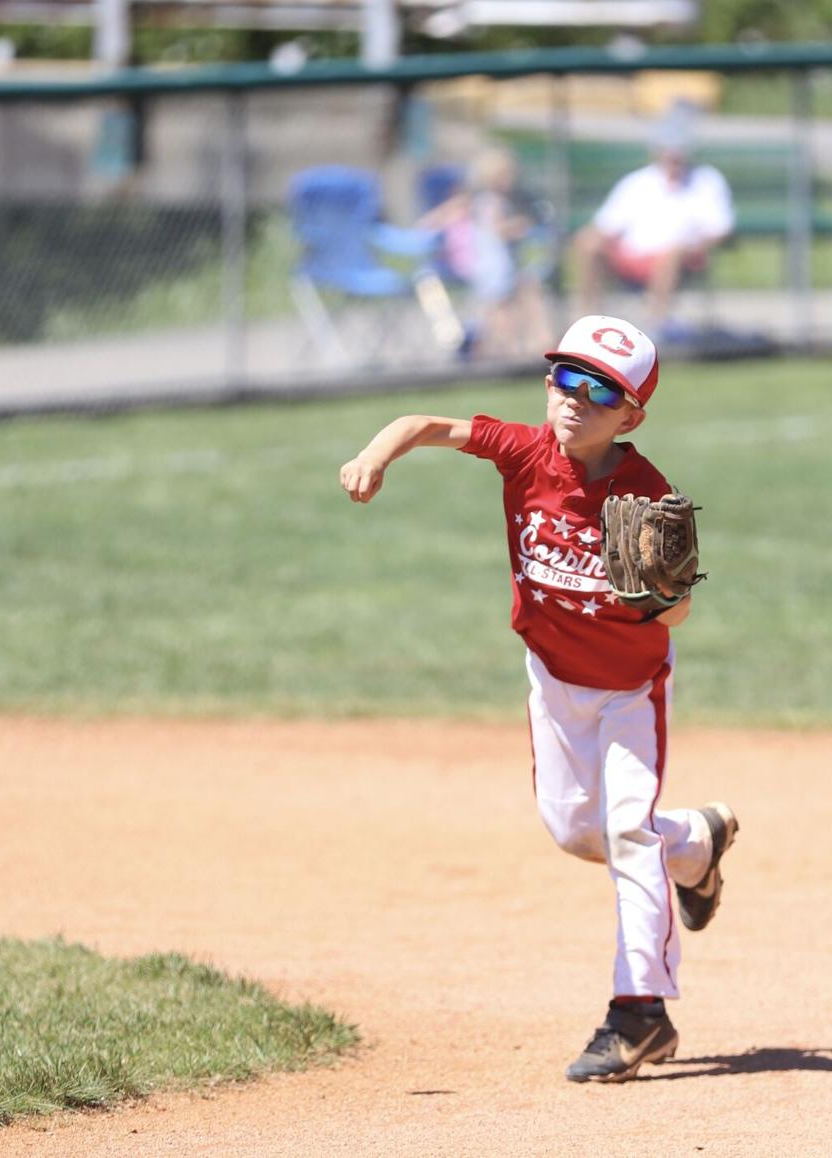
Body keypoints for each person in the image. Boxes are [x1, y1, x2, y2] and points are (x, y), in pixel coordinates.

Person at [339, 314, 739, 1083]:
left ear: (631, 416)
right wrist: (373, 455)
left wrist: (662, 595)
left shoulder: (647, 494)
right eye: (563, 377)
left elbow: (680, 613)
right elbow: (424, 422)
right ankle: (694, 844)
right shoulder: (523, 451)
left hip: (630, 691)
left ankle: (640, 1014)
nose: (573, 399)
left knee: (625, 833)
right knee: (575, 832)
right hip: (553, 684)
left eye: (599, 391)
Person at [571, 104, 735, 342]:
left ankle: (654, 328)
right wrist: (593, 239)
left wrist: (691, 246)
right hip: (630, 258)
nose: (673, 159)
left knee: (672, 252)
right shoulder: (636, 182)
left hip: (682, 259)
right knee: (588, 243)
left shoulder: (707, 181)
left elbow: (719, 228)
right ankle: (587, 327)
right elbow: (606, 227)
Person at [418, 146, 553, 359]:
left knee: (513, 298)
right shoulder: (488, 201)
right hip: (489, 264)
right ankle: (507, 349)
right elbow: (496, 230)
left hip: (495, 264)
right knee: (500, 307)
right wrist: (517, 228)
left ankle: (516, 345)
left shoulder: (486, 201)